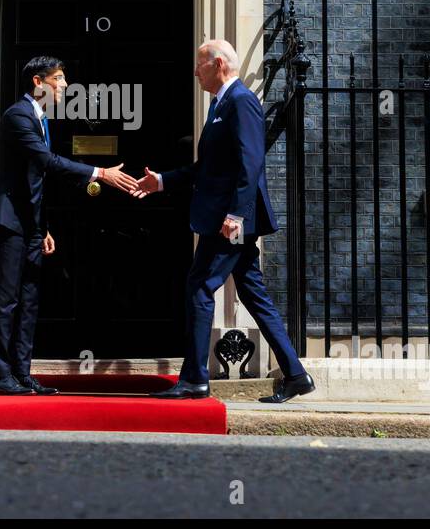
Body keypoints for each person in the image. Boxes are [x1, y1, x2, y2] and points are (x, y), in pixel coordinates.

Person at [131, 39, 316, 403]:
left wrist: (235, 214)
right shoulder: (220, 104)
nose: (195, 72)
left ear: (217, 65)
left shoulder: (241, 101)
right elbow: (209, 168)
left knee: (199, 287)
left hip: (229, 221)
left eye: (199, 65)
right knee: (253, 293)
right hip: (226, 217)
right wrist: (163, 181)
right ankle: (296, 374)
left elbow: (251, 162)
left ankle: (196, 379)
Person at [0, 56, 139, 395]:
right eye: (59, 79)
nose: (65, 86)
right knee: (8, 300)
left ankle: (22, 374)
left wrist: (44, 225)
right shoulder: (18, 116)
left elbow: (35, 181)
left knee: (30, 299)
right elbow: (46, 163)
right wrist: (99, 173)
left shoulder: (39, 117)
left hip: (31, 223)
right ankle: (2, 377)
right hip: (9, 220)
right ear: (39, 83)